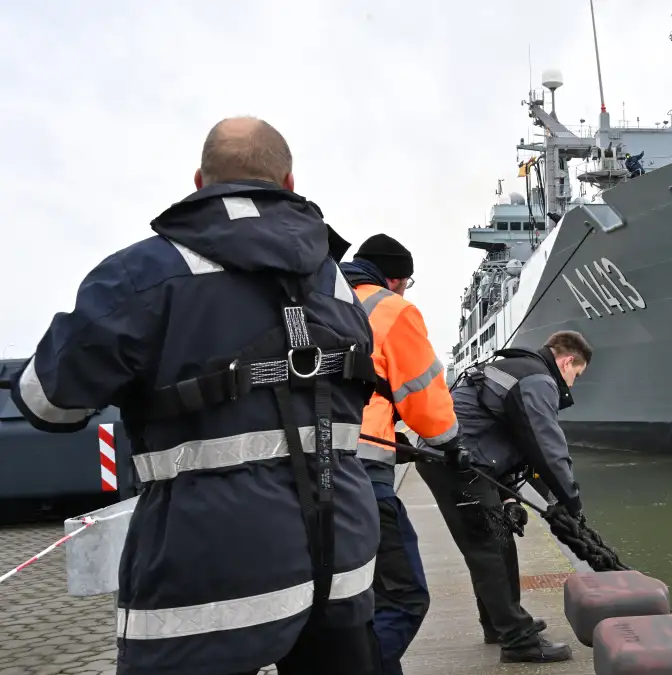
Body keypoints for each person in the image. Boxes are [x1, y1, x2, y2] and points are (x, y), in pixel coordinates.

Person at [4, 116, 391, 675]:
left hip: (204, 581)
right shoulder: (334, 281)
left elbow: (47, 401)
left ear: (198, 182)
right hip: (339, 564)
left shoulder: (142, 274)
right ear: (288, 182)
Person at [414, 330, 593, 664]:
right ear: (567, 361)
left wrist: (552, 496)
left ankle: (501, 622)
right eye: (576, 375)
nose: (573, 383)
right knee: (490, 549)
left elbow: (523, 446)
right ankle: (518, 640)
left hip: (460, 460)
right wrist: (572, 503)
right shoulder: (538, 379)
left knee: (497, 541)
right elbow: (546, 446)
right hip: (460, 464)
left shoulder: (517, 369)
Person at [340, 234, 466, 675]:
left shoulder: (321, 300)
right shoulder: (391, 309)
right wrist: (451, 444)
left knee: (352, 601)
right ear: (395, 279)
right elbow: (427, 403)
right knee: (405, 597)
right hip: (362, 473)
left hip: (301, 470)